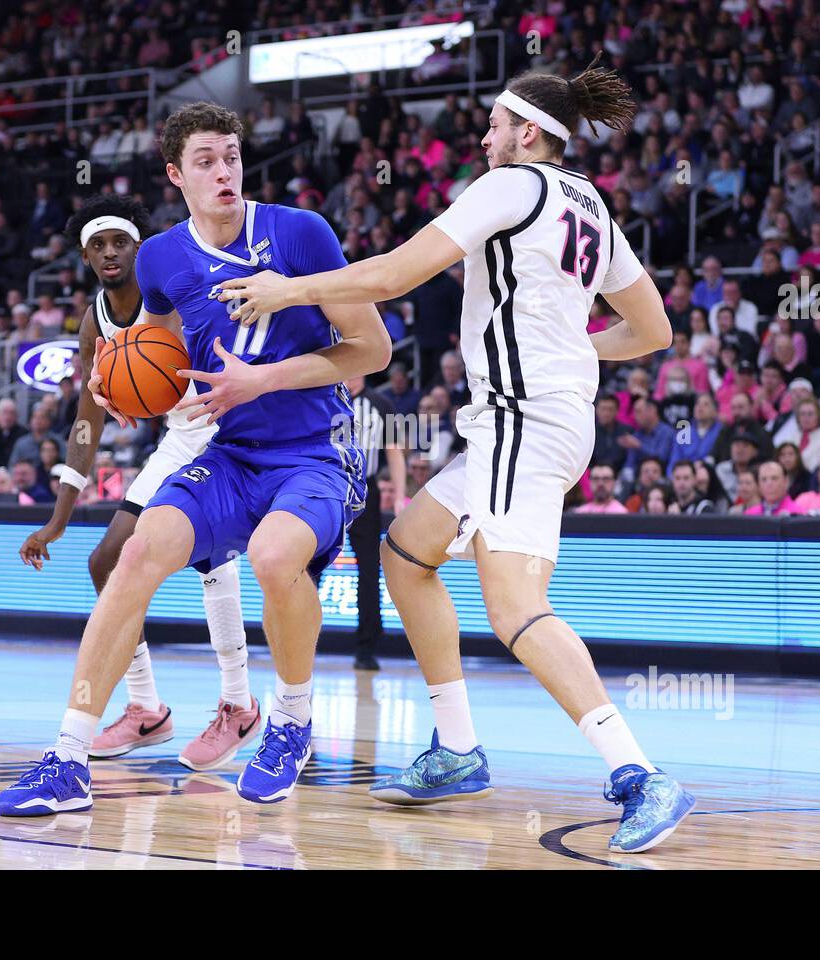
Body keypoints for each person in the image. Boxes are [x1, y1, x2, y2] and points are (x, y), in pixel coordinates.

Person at [219, 58, 696, 852]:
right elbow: (654, 331)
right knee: (406, 553)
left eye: (496, 125)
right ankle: (457, 748)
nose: (484, 136)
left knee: (515, 609)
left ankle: (639, 775)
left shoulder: (511, 185)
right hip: (534, 419)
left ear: (528, 134)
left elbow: (402, 271)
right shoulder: (590, 200)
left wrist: (287, 290)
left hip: (521, 420)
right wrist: (572, 355)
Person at [0, 101, 389, 817]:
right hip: (231, 452)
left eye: (232, 156)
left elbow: (373, 349)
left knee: (273, 557)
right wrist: (115, 382)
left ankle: (290, 721)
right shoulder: (161, 258)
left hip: (314, 451)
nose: (224, 172)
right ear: (177, 174)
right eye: (206, 161)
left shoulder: (302, 233)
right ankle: (69, 757)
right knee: (132, 554)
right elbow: (153, 343)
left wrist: (263, 377)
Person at [17, 194, 256, 766]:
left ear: (139, 247)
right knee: (105, 563)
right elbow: (87, 420)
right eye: (97, 245)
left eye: (119, 241)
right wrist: (57, 519)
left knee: (213, 558)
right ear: (84, 256)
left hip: (226, 424)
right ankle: (146, 709)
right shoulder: (94, 321)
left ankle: (239, 704)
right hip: (180, 437)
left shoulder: (173, 289)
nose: (109, 253)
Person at [346, 374, 407, 670]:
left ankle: (366, 646)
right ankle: (301, 636)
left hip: (365, 490)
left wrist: (399, 495)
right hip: (324, 487)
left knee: (369, 568)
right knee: (309, 567)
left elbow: (394, 452)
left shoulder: (381, 404)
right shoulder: (322, 395)